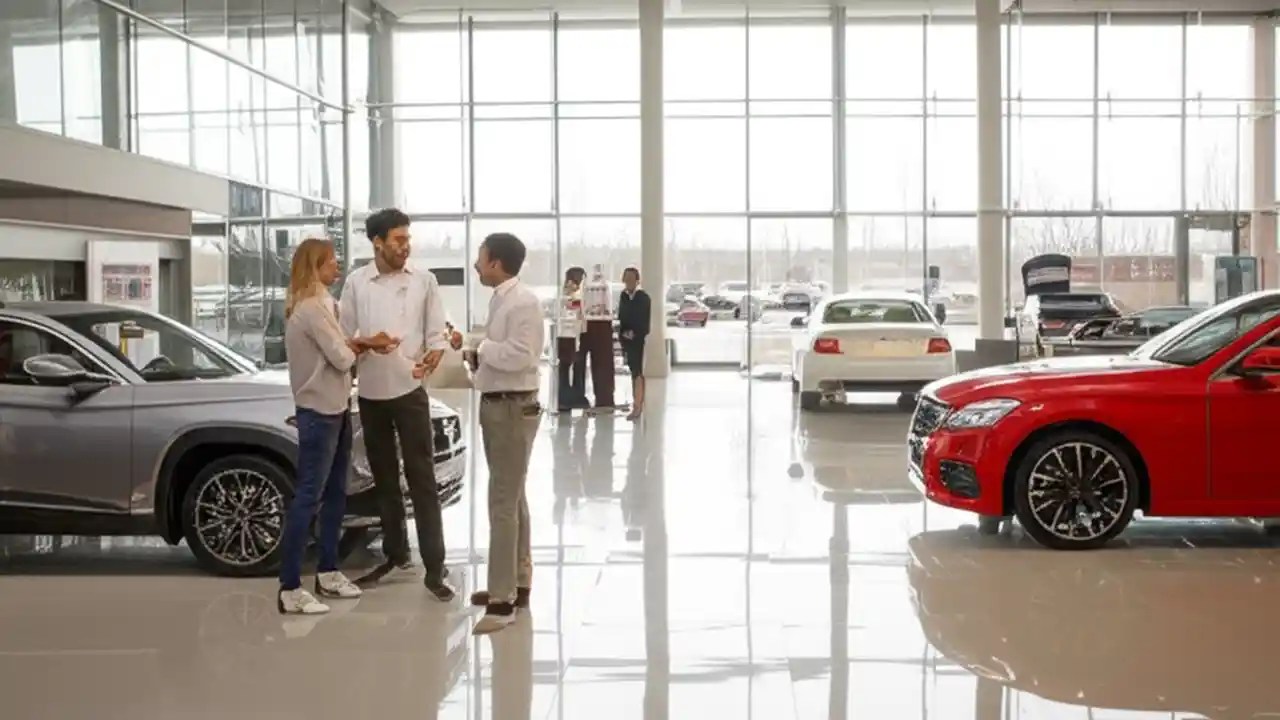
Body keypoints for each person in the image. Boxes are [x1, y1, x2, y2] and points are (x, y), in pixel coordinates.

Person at [339, 208, 456, 601]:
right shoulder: (357, 282)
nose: (406, 246)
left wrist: (435, 354)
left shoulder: (425, 280)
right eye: (398, 240)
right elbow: (344, 337)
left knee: (423, 480)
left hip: (409, 392)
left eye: (408, 239)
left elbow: (436, 334)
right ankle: (395, 553)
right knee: (384, 480)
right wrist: (368, 343)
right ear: (377, 243)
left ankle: (435, 567)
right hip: (371, 395)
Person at [277, 237, 372, 614]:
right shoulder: (313, 309)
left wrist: (355, 344)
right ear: (314, 267)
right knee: (308, 498)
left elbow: (343, 347)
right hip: (318, 413)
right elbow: (340, 355)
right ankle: (289, 588)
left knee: (336, 493)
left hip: (336, 408)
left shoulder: (324, 306)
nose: (338, 266)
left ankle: (329, 571)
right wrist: (356, 346)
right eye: (331, 261)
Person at [464, 232, 544, 635]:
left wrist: (480, 346)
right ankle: (518, 581)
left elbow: (522, 355)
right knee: (513, 496)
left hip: (514, 407)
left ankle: (501, 601)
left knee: (502, 502)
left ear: (496, 262)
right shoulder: (501, 299)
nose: (477, 265)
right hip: (499, 404)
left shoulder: (523, 302)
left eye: (480, 259)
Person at [617, 267, 651, 421]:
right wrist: (623, 333)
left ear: (637, 280)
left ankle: (638, 406)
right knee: (632, 370)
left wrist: (634, 333)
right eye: (626, 279)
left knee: (637, 372)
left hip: (638, 340)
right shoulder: (623, 297)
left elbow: (643, 322)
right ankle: (635, 403)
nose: (628, 282)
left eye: (631, 279)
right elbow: (622, 317)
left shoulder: (643, 298)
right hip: (627, 340)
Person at [581, 264, 615, 412]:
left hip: (599, 324)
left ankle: (604, 398)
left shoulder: (604, 286)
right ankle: (604, 398)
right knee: (602, 363)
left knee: (603, 364)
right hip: (592, 323)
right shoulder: (593, 286)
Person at [555, 267, 589, 412]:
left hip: (577, 334)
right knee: (567, 366)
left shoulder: (577, 293)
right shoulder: (568, 294)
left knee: (577, 366)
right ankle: (565, 397)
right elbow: (571, 310)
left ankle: (576, 396)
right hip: (567, 335)